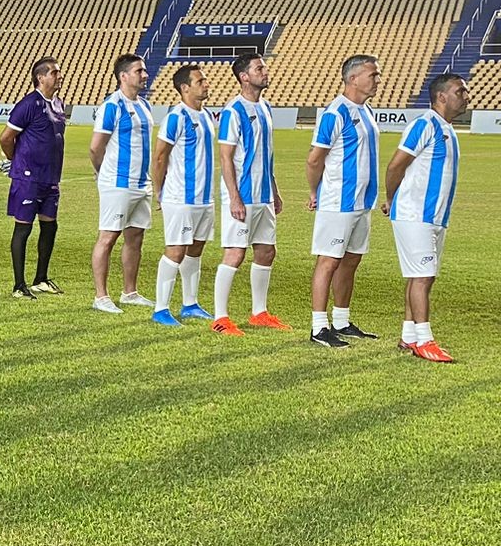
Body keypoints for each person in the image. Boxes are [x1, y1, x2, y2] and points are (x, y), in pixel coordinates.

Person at [385, 73, 467, 362]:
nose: (466, 96)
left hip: (434, 216)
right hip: (414, 214)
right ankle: (425, 339)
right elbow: (396, 166)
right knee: (422, 276)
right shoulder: (424, 124)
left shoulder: (447, 129)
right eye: (460, 91)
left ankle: (409, 336)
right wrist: (392, 199)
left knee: (420, 277)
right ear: (442, 96)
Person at [306, 55, 383, 347]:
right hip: (338, 201)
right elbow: (314, 159)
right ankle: (318, 327)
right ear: (353, 79)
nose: (377, 80)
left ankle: (341, 320)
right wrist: (315, 192)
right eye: (372, 75)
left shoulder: (366, 111)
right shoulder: (335, 113)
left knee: (351, 261)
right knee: (328, 261)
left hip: (362, 202)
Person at [213, 52, 289, 336]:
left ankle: (259, 312)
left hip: (264, 195)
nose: (265, 72)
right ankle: (220, 317)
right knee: (234, 254)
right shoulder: (234, 110)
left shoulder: (266, 108)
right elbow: (225, 157)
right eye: (259, 68)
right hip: (242, 195)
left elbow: (265, 155)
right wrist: (234, 196)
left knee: (266, 251)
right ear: (244, 77)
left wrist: (275, 190)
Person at [150, 65, 217, 327]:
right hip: (181, 197)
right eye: (200, 81)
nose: (206, 84)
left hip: (204, 198)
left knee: (195, 250)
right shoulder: (176, 117)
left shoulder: (208, 115)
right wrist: (160, 192)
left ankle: (190, 304)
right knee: (175, 250)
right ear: (184, 87)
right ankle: (161, 308)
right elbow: (159, 156)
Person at [89, 54, 156, 312]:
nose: (145, 75)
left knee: (135, 236)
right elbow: (96, 148)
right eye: (139, 71)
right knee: (108, 236)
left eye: (144, 70)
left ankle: (130, 292)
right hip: (118, 183)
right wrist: (102, 173)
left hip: (142, 183)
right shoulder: (112, 106)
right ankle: (100, 297)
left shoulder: (145, 106)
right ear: (123, 76)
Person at [0, 58, 65, 300]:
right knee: (23, 229)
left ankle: (41, 279)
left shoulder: (57, 103)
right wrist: (17, 161)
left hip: (50, 177)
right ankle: (19, 285)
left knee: (50, 226)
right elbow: (6, 137)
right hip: (28, 178)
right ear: (41, 77)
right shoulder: (28, 104)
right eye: (55, 72)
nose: (60, 76)